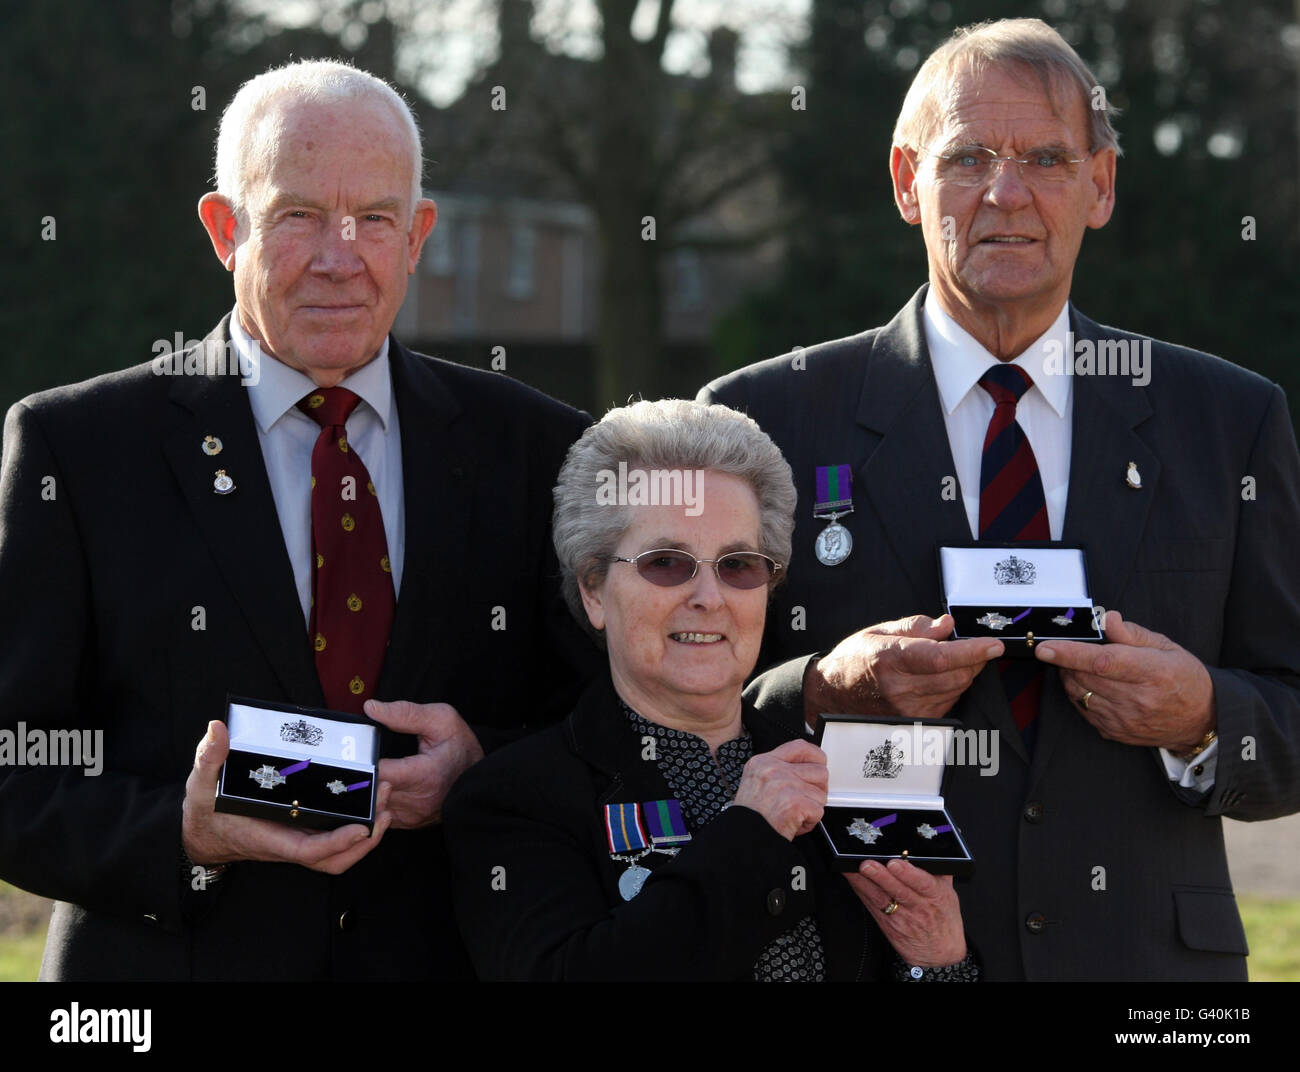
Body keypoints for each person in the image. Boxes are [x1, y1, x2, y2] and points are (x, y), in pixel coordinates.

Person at [699, 18, 1300, 981]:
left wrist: (1201, 718)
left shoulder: (1229, 422)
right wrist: (822, 688)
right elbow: (667, 711)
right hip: (853, 957)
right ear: (907, 181)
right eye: (969, 156)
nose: (1006, 193)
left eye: (1048, 160)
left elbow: (1289, 710)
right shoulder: (757, 420)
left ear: (1100, 186)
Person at [0, 60, 597, 980]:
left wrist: (483, 770)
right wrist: (184, 834)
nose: (339, 255)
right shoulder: (76, 452)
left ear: (418, 236)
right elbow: (15, 765)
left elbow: (612, 726)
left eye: (374, 219)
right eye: (299, 216)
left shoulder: (539, 448)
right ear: (223, 229)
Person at [443, 399, 978, 980]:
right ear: (595, 590)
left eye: (738, 565)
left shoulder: (843, 772)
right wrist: (751, 835)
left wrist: (937, 958)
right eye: (667, 562)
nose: (709, 596)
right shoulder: (513, 798)